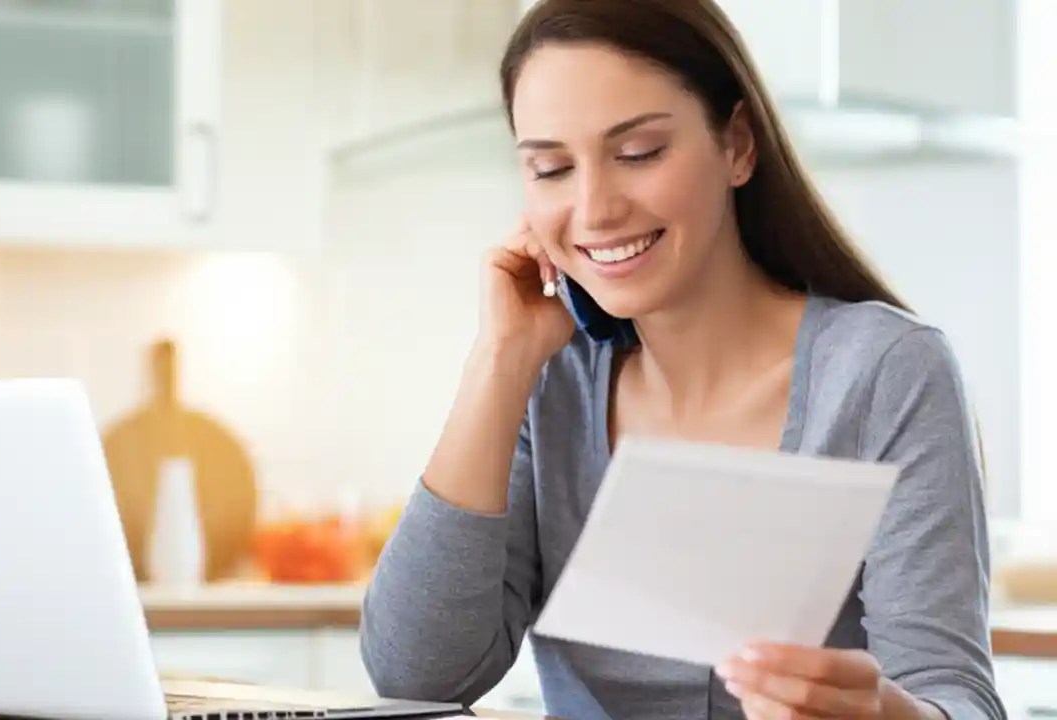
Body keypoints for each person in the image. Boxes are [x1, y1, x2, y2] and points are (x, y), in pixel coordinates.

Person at [359, 2, 1005, 720]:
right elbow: (415, 676)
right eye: (550, 168)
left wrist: (889, 715)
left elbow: (958, 696)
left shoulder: (886, 371)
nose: (594, 208)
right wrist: (499, 363)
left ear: (737, 145)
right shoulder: (553, 380)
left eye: (638, 154)